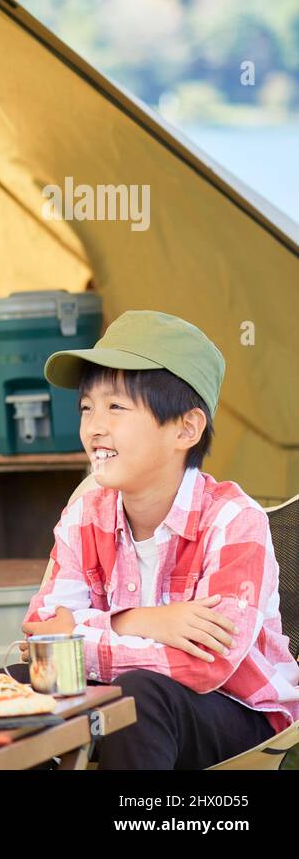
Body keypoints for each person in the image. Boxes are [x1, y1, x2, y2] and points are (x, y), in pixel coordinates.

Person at [19, 310, 299, 769]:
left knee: (137, 700)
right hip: (127, 698)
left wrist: (79, 636)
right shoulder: (86, 512)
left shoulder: (234, 520)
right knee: (11, 685)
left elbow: (206, 665)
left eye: (116, 407)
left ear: (185, 429)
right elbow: (42, 635)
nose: (93, 427)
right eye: (87, 407)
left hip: (238, 711)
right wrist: (141, 621)